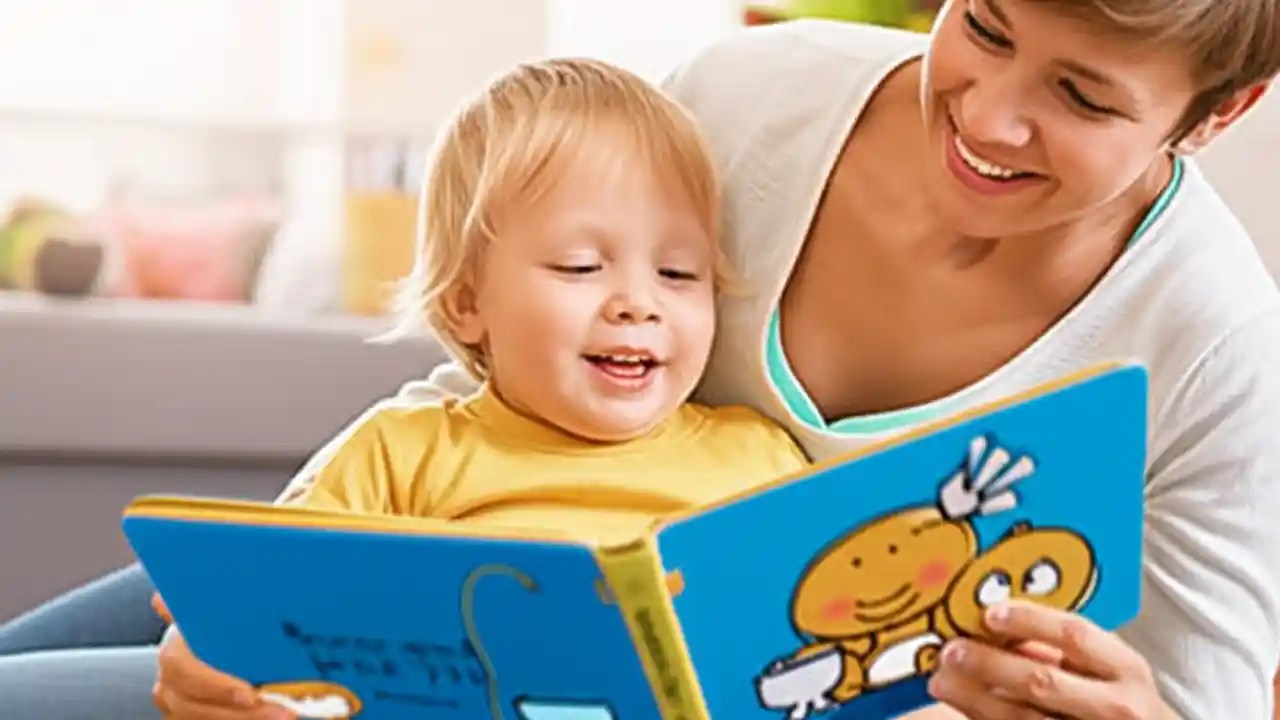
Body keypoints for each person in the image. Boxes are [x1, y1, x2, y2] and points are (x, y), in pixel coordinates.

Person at [4, 0, 1280, 717]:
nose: (992, 117)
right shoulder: (748, 96)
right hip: (446, 559)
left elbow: (1199, 698)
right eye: (984, 26)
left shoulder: (1217, 338)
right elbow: (482, 377)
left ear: (1213, 116)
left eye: (1083, 98)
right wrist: (264, 618)